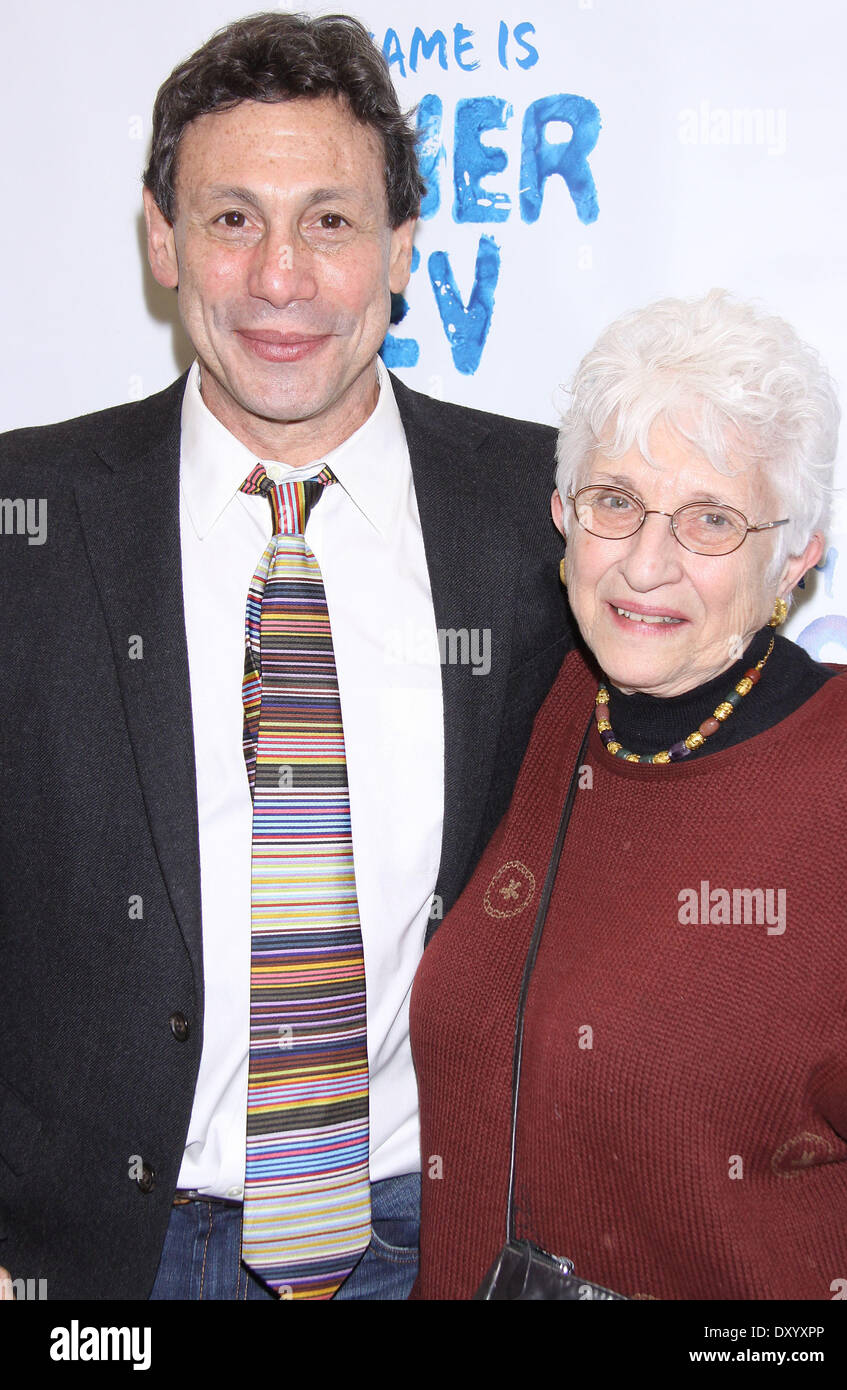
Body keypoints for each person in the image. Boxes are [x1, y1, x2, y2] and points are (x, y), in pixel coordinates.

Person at [0, 12, 572, 1301]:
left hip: (415, 1239)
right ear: (161, 239)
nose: (279, 278)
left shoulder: (546, 516)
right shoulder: (23, 518)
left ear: (400, 250)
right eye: (231, 218)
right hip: (86, 1256)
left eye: (328, 220)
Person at [410, 290, 847, 1300]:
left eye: (711, 519)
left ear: (795, 555)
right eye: (615, 501)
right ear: (563, 518)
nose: (647, 562)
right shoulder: (535, 707)